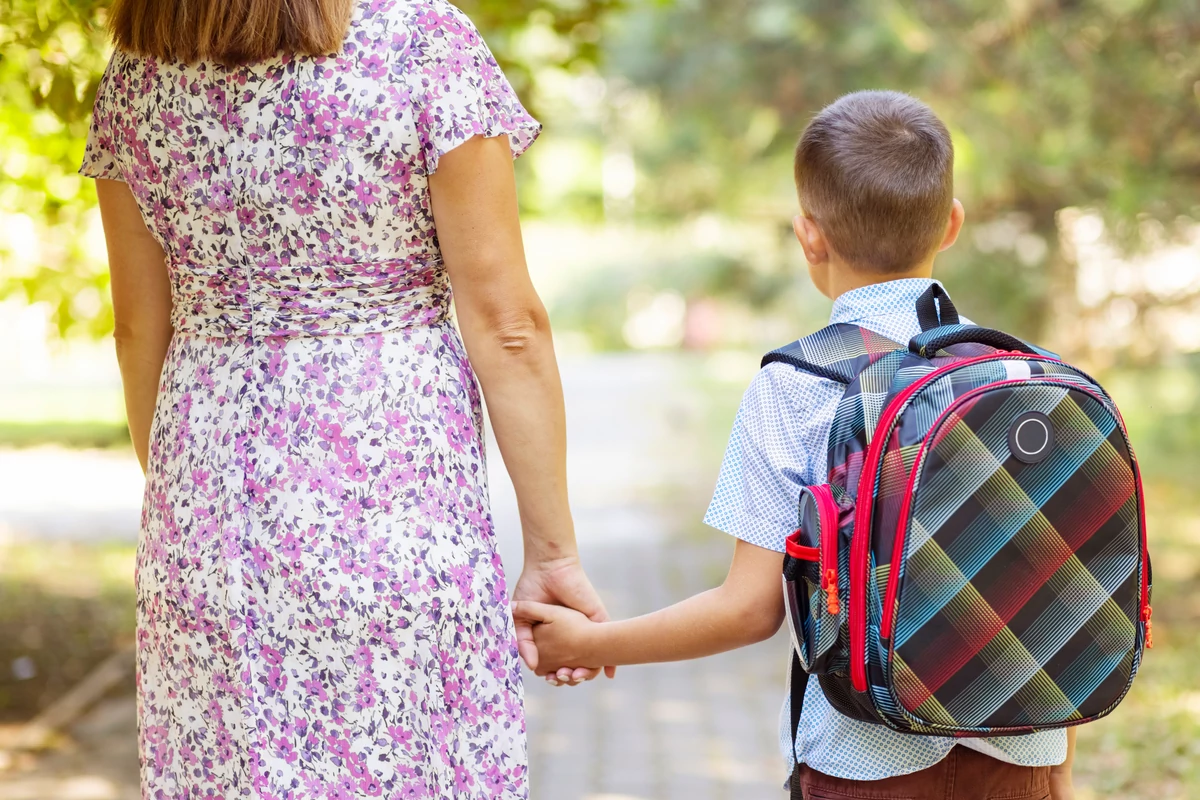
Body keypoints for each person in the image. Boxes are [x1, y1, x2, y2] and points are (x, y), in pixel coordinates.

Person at [80, 0, 611, 796]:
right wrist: (553, 554)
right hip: (393, 500)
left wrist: (187, 510)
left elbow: (135, 331)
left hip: (207, 516)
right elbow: (507, 326)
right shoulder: (422, 43)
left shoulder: (139, 72)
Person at [513, 91, 1076, 800]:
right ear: (952, 223)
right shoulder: (1020, 373)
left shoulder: (797, 384)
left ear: (809, 235)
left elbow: (750, 608)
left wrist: (590, 643)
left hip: (864, 756)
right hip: (1027, 751)